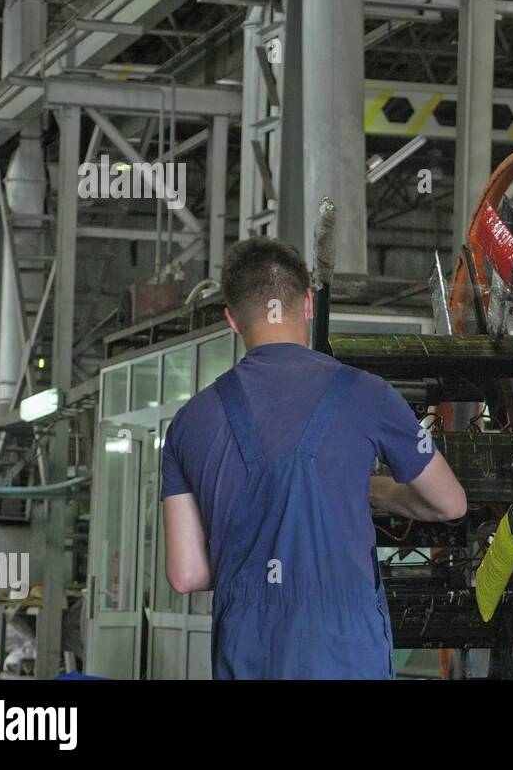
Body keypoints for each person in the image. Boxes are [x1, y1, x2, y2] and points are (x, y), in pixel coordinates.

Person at [161, 237, 466, 679]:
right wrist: (375, 492)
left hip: (247, 647)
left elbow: (186, 574)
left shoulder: (189, 423)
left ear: (231, 320)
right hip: (344, 646)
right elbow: (450, 503)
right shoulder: (369, 395)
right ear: (307, 303)